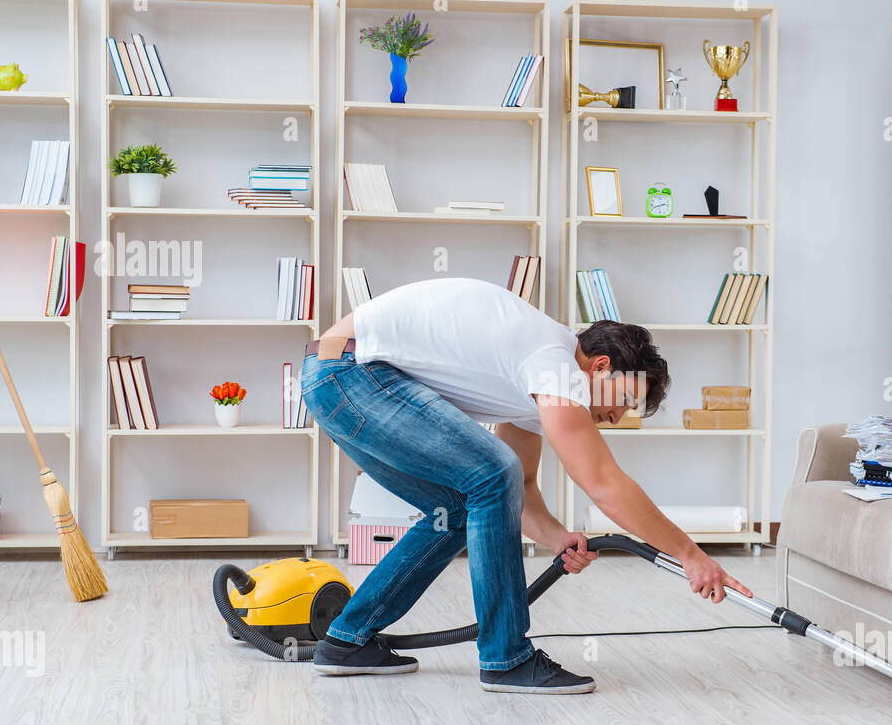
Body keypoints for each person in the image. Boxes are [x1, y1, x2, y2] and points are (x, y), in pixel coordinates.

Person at [301, 276, 752, 694]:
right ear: (600, 366)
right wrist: (691, 555)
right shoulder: (553, 362)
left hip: (337, 379)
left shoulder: (533, 384)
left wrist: (557, 537)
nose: (618, 418)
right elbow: (602, 483)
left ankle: (347, 639)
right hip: (352, 372)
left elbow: (523, 488)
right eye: (626, 400)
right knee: (492, 473)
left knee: (464, 502)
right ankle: (506, 659)